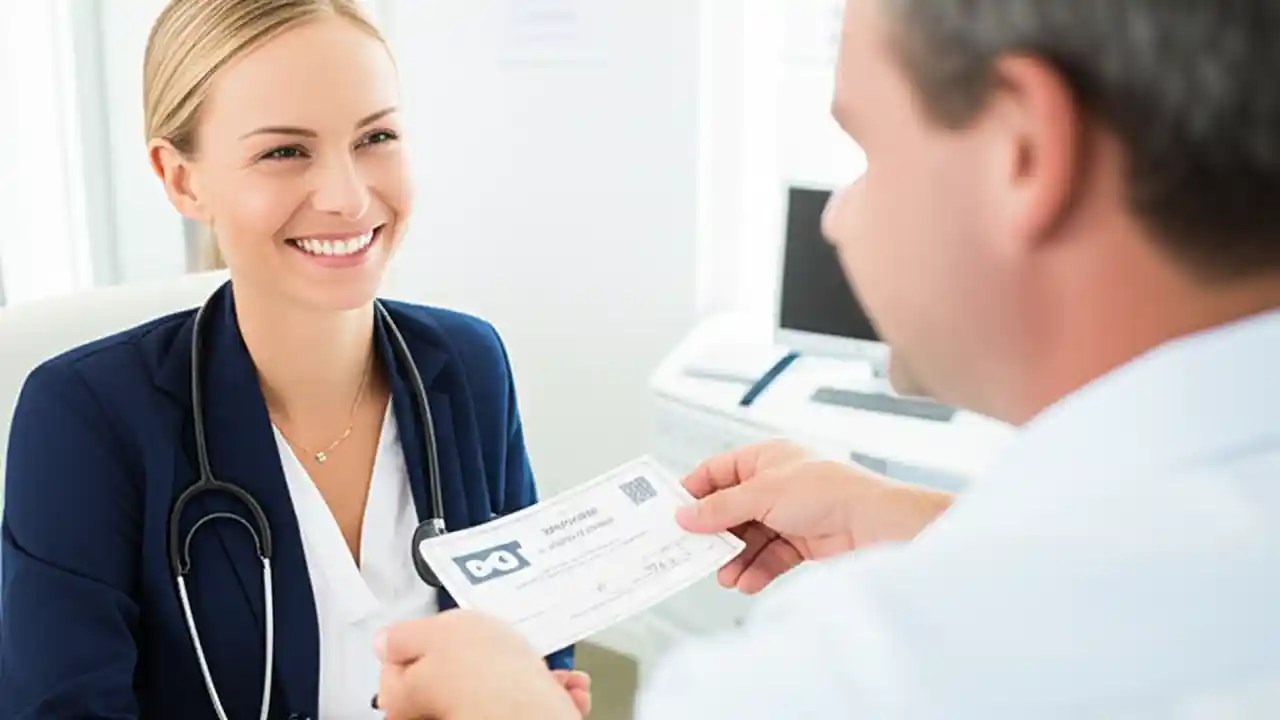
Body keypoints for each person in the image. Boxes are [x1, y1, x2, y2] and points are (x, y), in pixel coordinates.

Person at [371, 0, 1280, 717]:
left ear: (1023, 152)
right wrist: (916, 519)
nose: (839, 218)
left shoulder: (855, 676)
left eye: (868, 149)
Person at [0, 1, 590, 718]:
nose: (347, 196)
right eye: (285, 151)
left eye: (376, 136)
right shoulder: (85, 420)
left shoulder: (467, 365)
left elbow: (532, 636)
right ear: (182, 179)